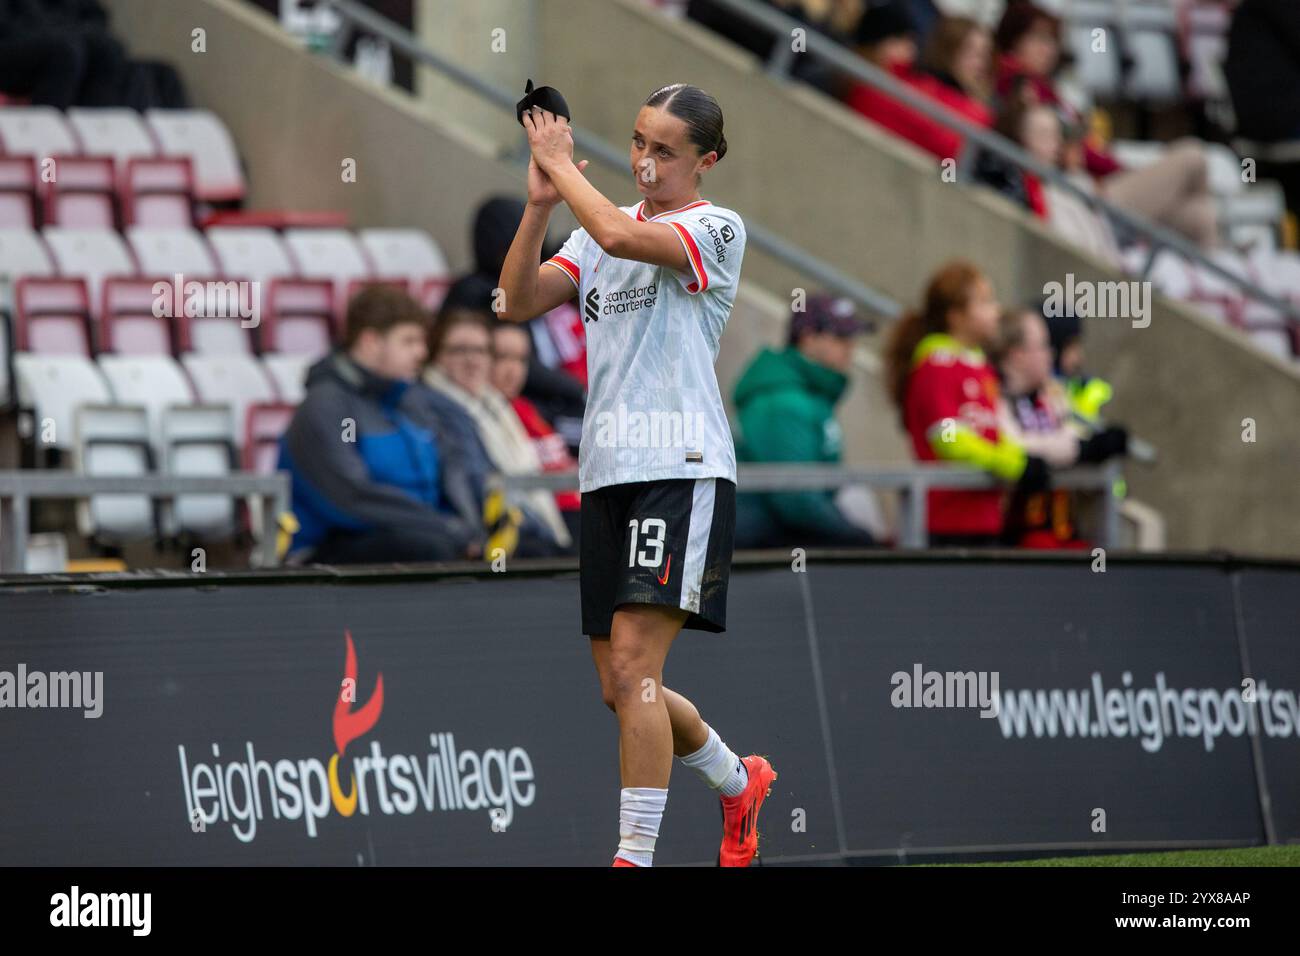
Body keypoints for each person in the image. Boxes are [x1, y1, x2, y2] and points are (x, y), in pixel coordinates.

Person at [496, 82, 777, 867]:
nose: (645, 163)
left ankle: (633, 859)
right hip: (606, 474)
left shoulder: (715, 229)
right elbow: (513, 302)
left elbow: (620, 236)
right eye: (638, 142)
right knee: (622, 689)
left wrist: (563, 165)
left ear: (706, 162)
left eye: (665, 151)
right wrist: (539, 203)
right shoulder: (591, 231)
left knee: (633, 666)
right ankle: (735, 779)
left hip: (679, 468)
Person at [278, 286, 486, 564]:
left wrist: (469, 528)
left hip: (424, 533)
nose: (421, 353)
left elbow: (453, 471)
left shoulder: (411, 400)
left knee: (527, 548)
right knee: (431, 549)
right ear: (370, 341)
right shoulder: (324, 406)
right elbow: (352, 498)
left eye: (421, 341)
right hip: (330, 548)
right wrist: (443, 527)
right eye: (409, 341)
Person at [994, 0, 1219, 250]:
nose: (1048, 50)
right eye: (1038, 39)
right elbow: (1077, 153)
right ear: (1014, 39)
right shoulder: (1017, 85)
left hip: (1094, 186)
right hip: (1082, 196)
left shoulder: (1047, 87)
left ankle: (1209, 284)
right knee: (1193, 156)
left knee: (1200, 216)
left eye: (1052, 41)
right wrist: (1125, 172)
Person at [884, 261, 1049, 547]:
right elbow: (947, 436)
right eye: (984, 302)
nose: (995, 310)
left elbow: (994, 430)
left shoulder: (979, 367)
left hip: (984, 518)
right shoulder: (935, 365)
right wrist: (1012, 466)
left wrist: (1020, 459)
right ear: (956, 316)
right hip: (944, 523)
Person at [732, 293, 882, 548]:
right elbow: (796, 498)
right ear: (808, 337)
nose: (851, 348)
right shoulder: (782, 401)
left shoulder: (809, 393)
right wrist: (856, 538)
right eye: (841, 338)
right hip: (765, 552)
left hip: (782, 540)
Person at [423, 303, 573, 556]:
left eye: (481, 351)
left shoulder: (494, 404)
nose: (472, 360)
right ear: (437, 355)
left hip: (525, 523)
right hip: (486, 532)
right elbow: (475, 483)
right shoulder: (432, 406)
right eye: (459, 350)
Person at [991, 306, 1127, 548]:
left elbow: (1068, 435)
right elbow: (1012, 444)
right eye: (1043, 345)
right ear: (1017, 355)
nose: (1050, 354)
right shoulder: (993, 397)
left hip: (1061, 534)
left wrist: (1095, 447)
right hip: (1012, 540)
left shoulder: (1051, 396)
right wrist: (1080, 450)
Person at [846, 3, 994, 162]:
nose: (980, 64)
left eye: (985, 54)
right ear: (948, 50)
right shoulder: (882, 86)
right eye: (972, 52)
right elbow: (951, 149)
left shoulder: (913, 84)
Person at [489, 319, 582, 544]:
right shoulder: (487, 414)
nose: (513, 370)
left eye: (521, 359)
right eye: (502, 357)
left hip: (576, 515)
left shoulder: (528, 409)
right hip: (546, 529)